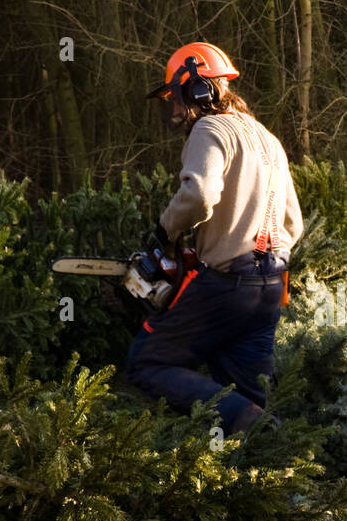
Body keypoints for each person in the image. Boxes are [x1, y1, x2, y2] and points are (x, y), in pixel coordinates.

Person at [126, 41, 303, 435]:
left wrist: (164, 233)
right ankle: (275, 475)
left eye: (176, 96)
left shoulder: (209, 128)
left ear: (198, 88)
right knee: (248, 391)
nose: (174, 109)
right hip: (271, 287)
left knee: (147, 363)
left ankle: (253, 425)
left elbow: (200, 195)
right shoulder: (267, 138)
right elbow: (293, 223)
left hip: (226, 286)